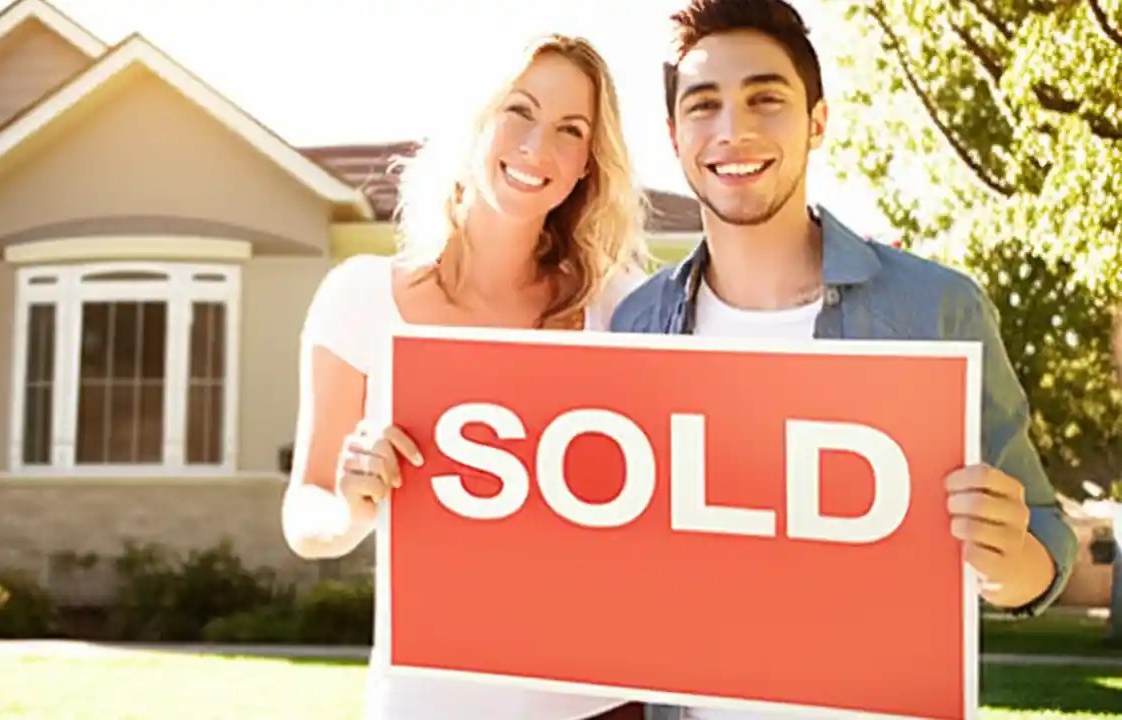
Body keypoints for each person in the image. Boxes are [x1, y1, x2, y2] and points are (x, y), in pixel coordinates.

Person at [607, 1, 1078, 718]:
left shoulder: (937, 308)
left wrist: (1005, 560)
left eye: (767, 98)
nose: (734, 129)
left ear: (816, 122)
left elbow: (1042, 547)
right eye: (705, 105)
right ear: (674, 137)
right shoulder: (633, 327)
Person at [283, 33, 651, 720]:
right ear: (476, 122)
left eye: (571, 130)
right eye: (520, 110)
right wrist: (351, 508)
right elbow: (305, 507)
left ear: (586, 169)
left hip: (601, 705)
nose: (539, 146)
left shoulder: (618, 306)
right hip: (431, 700)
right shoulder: (361, 298)